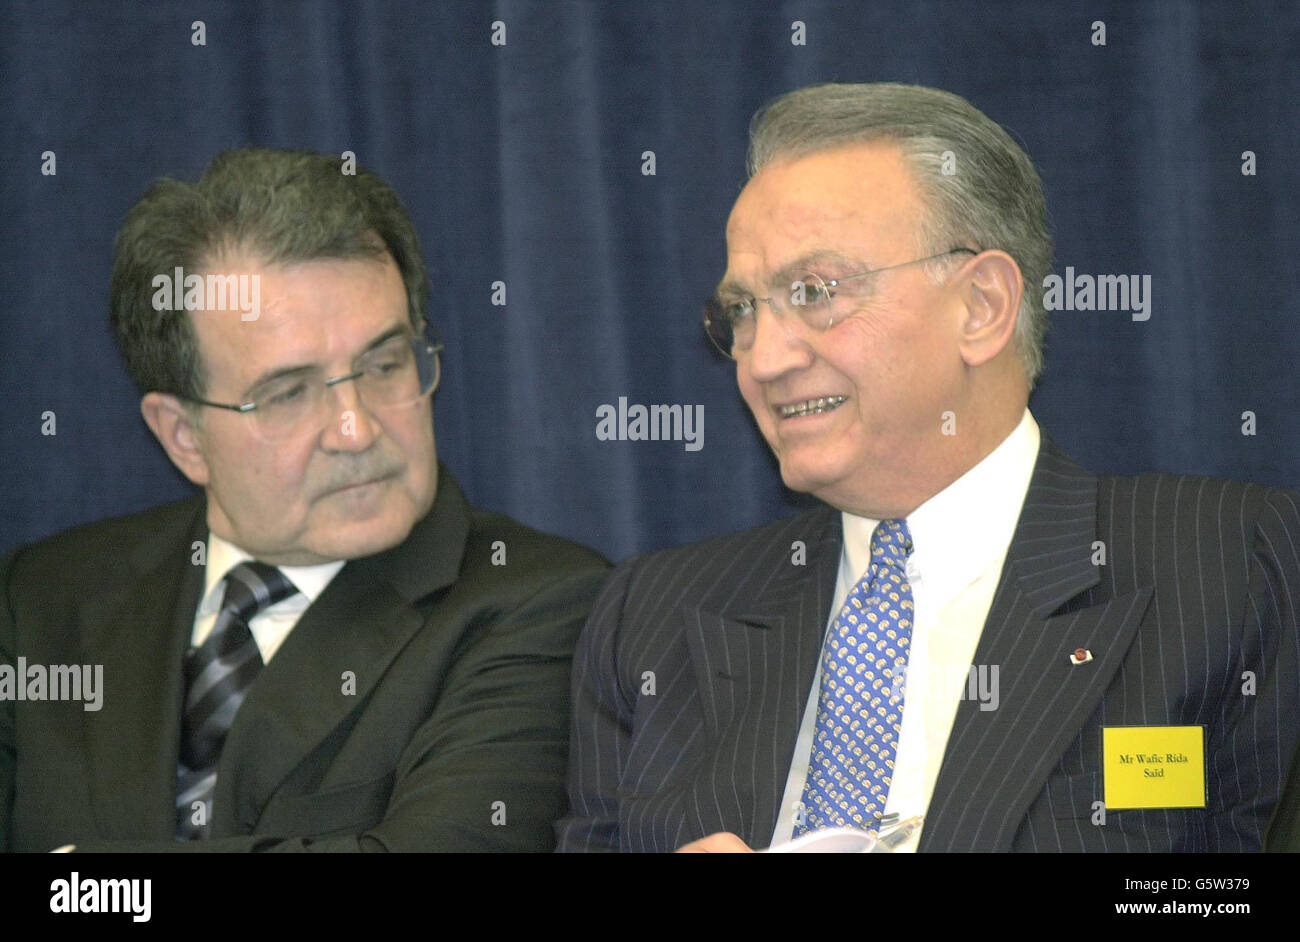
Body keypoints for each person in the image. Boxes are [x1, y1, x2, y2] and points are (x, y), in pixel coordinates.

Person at [555, 82, 1300, 853]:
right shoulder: (651, 620)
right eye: (742, 310)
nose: (766, 359)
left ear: (981, 306)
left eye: (815, 292)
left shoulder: (1234, 564)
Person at [0, 148, 609, 852]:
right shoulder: (41, 599)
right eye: (288, 393)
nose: (356, 428)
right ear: (182, 435)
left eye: (384, 364)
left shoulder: (544, 602)